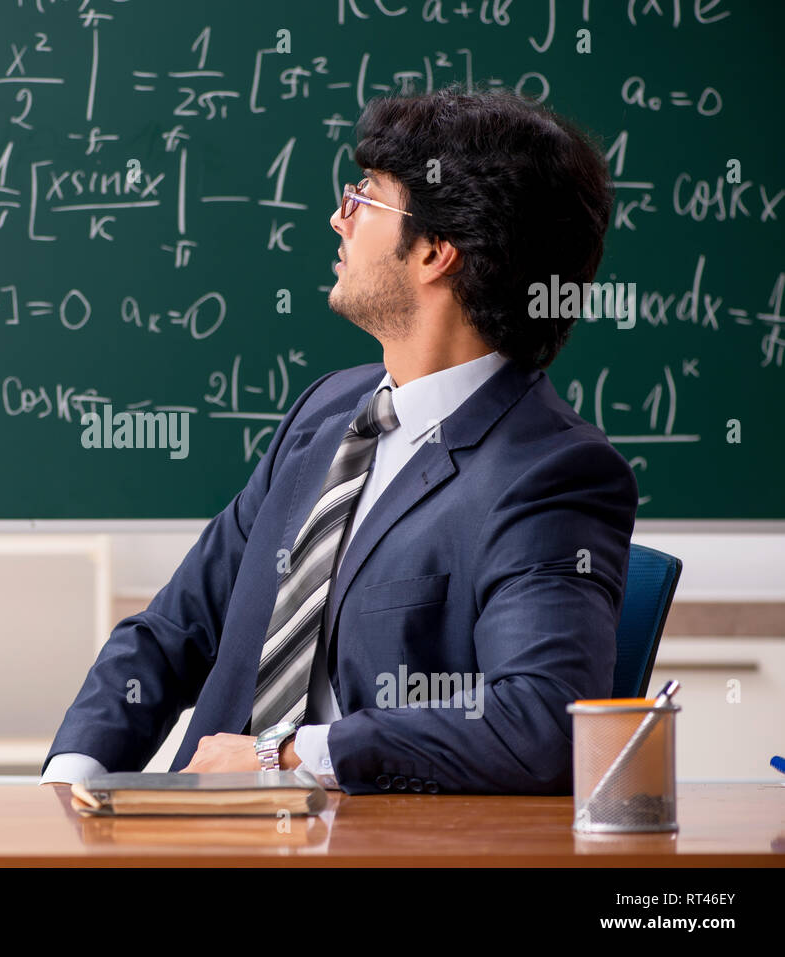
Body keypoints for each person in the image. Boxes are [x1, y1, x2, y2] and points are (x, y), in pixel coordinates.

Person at [41, 86, 638, 795]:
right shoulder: (325, 413)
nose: (338, 216)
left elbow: (542, 722)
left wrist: (290, 754)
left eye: (365, 198)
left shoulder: (551, 472)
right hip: (202, 836)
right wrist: (70, 779)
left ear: (436, 253)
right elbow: (173, 630)